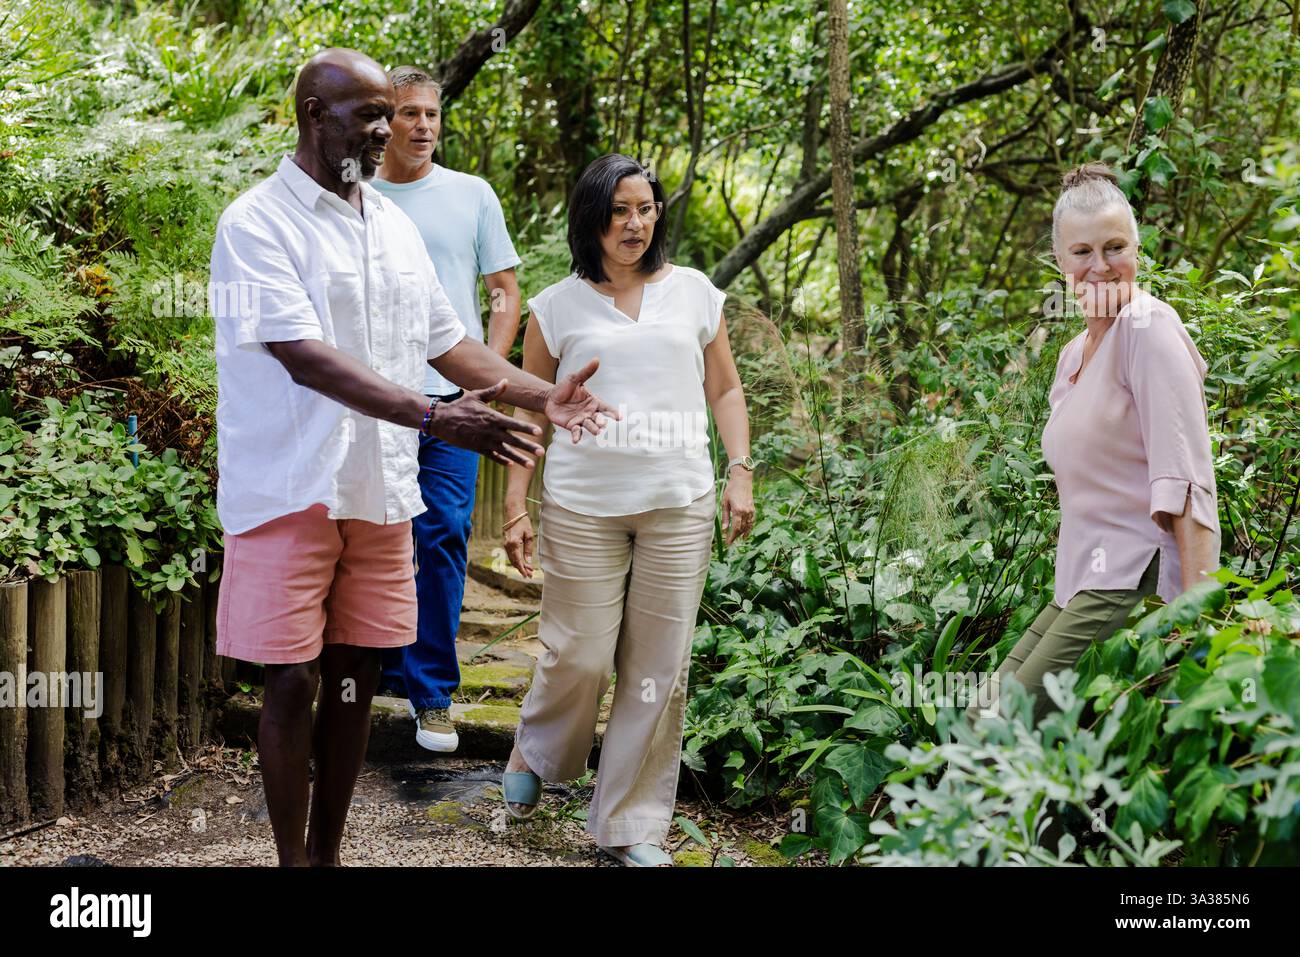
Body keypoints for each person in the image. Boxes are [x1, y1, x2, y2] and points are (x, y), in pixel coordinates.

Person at [209, 48, 614, 867]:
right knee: (290, 678)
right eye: (368, 114)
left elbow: (450, 343)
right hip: (289, 483)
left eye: (391, 112)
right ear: (314, 115)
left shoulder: (389, 224)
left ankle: (327, 853)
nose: (387, 128)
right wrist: (433, 417)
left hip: (379, 484)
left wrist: (544, 395)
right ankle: (292, 862)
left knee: (357, 669)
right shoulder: (254, 223)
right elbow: (302, 353)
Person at [498, 154, 756, 867]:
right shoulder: (554, 307)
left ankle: (629, 823)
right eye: (618, 210)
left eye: (645, 208)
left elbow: (726, 391)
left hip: (679, 503)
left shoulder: (698, 294)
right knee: (577, 653)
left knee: (656, 668)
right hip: (583, 505)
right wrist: (516, 505)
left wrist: (739, 469)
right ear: (590, 218)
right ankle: (538, 746)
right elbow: (533, 415)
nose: (635, 223)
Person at [970, 163, 1221, 724]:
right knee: (975, 720)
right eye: (1082, 252)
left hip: (1136, 575)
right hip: (1083, 578)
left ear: (1137, 248)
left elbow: (1189, 482)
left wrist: (1197, 634)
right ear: (1060, 263)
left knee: (996, 727)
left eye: (1115, 247)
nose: (1100, 267)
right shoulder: (1071, 356)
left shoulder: (1147, 330)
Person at [372, 66, 523, 753]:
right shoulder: (357, 196)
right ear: (385, 119)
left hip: (456, 402)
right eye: (409, 113)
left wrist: (485, 385)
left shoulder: (472, 195)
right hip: (377, 400)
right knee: (377, 534)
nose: (424, 125)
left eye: (432, 113)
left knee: (443, 533)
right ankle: (377, 667)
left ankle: (432, 691)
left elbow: (503, 292)